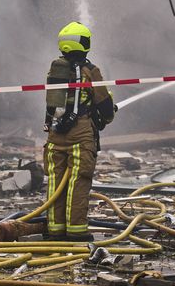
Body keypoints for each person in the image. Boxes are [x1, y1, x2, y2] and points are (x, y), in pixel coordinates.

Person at [43, 21, 116, 241]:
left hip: (55, 134)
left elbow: (52, 105)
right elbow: (104, 104)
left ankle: (55, 230)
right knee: (78, 181)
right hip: (81, 133)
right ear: (84, 43)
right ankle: (76, 231)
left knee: (56, 180)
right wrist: (109, 114)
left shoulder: (56, 69)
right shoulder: (90, 72)